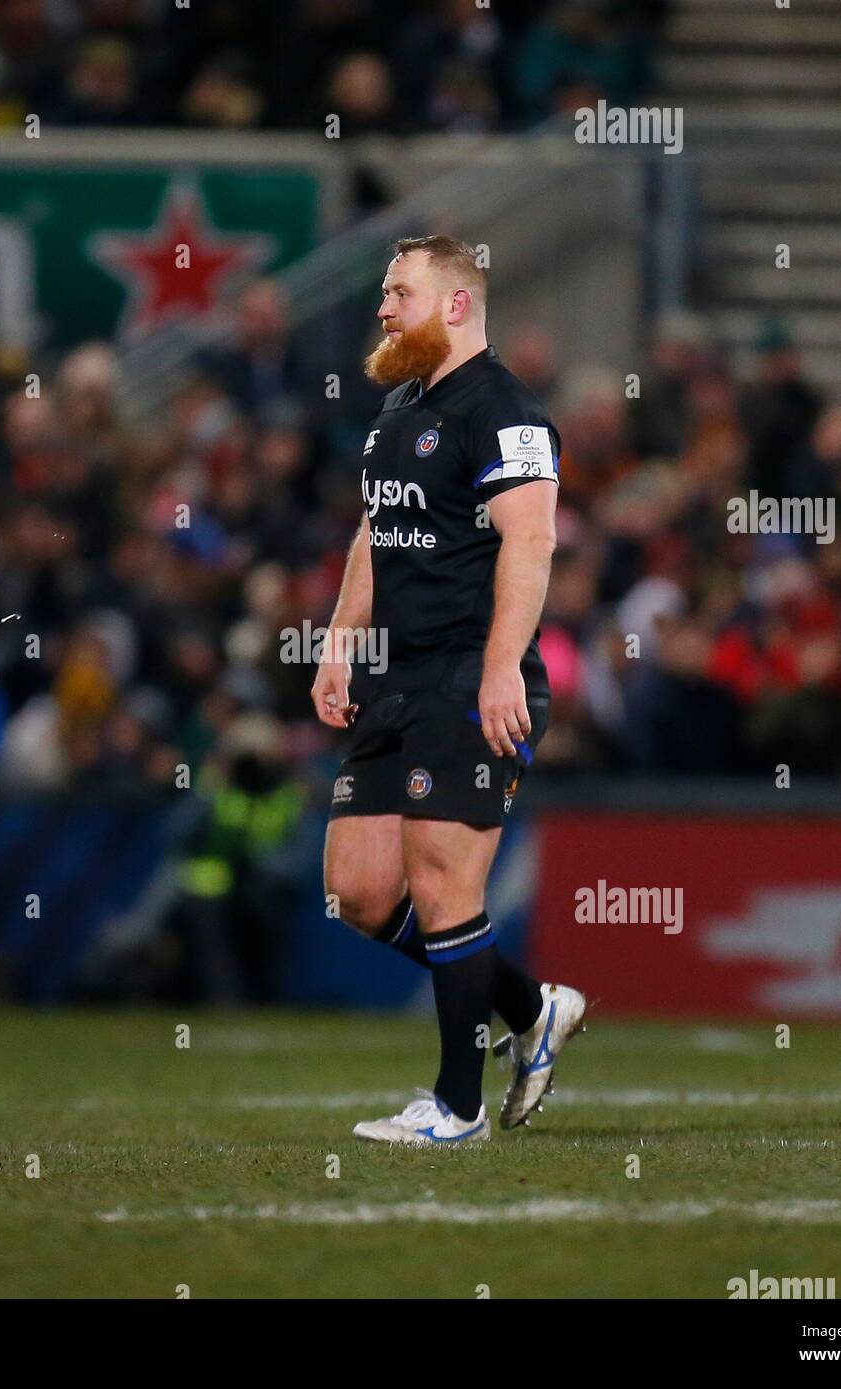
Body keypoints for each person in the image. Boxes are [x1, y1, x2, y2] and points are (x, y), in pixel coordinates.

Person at [311, 236, 586, 1145]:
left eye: (401, 292)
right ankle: (530, 1008)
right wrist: (341, 641)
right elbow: (373, 532)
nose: (384, 308)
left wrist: (504, 664)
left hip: (474, 672)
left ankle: (458, 1108)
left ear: (457, 304)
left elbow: (532, 541)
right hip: (398, 675)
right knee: (356, 889)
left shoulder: (505, 410)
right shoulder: (397, 409)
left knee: (442, 884)